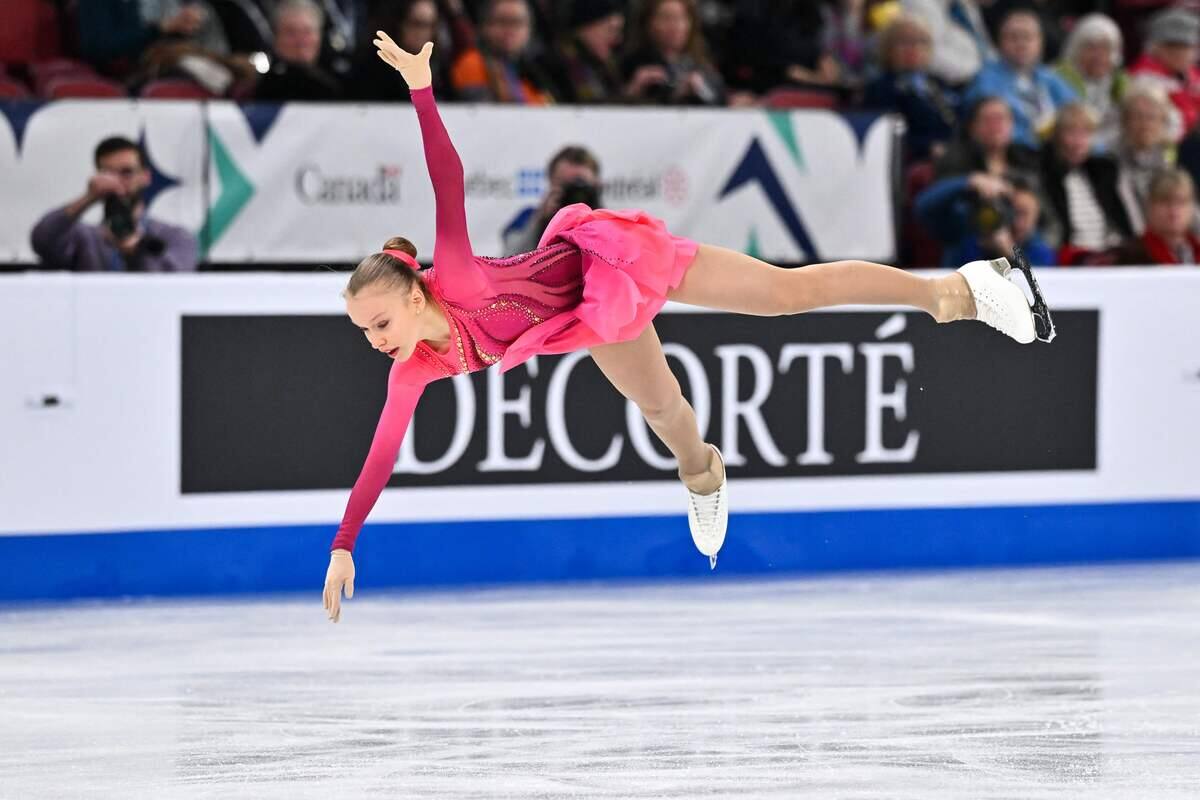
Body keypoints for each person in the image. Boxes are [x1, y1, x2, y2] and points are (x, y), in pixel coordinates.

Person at [322, 33, 1048, 622]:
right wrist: (344, 544)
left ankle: (961, 292)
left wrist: (421, 87)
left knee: (785, 293)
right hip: (590, 320)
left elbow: (447, 180)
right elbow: (382, 454)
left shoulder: (459, 276)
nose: (374, 340)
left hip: (610, 260)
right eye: (363, 332)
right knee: (663, 408)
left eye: (378, 321)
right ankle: (702, 471)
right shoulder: (411, 367)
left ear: (416, 298)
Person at [30, 136, 197, 272]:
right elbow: (43, 240)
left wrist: (136, 249)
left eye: (127, 172)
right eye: (107, 173)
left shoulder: (174, 236)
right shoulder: (86, 238)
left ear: (146, 177)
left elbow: (175, 279)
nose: (116, 181)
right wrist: (88, 197)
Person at [914, 96, 1041, 266]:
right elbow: (924, 206)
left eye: (1001, 119)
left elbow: (1051, 230)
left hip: (1024, 253)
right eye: (987, 120)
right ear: (972, 127)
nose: (995, 126)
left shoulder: (1028, 165)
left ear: (1012, 124)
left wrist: (1030, 212)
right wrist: (969, 181)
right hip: (968, 261)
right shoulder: (954, 164)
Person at [964, 9, 1077, 149]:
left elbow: (1076, 113)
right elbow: (994, 132)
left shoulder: (1050, 77)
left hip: (1056, 153)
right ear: (999, 43)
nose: (1021, 44)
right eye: (1013, 37)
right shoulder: (985, 81)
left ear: (1040, 43)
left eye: (1028, 37)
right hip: (1014, 154)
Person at [1040, 103, 1133, 266]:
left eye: (1085, 133)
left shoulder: (1103, 172)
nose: (1078, 142)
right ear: (1057, 136)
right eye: (1071, 132)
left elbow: (1125, 224)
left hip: (1106, 257)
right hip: (1068, 260)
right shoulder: (1043, 174)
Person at [863, 13, 959, 162]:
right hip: (915, 162)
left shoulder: (939, 83)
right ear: (888, 48)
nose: (913, 48)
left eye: (921, 41)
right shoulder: (881, 88)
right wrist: (927, 148)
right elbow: (886, 137)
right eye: (904, 41)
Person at [621, 0, 726, 106]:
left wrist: (700, 91)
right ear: (649, 23)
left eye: (681, 18)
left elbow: (721, 103)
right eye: (666, 18)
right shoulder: (632, 64)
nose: (674, 26)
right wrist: (634, 89)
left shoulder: (702, 66)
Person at [502, 145, 602, 256]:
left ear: (596, 185)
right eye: (566, 185)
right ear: (551, 182)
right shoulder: (527, 217)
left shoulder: (609, 223)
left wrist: (599, 218)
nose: (574, 194)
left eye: (581, 185)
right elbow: (509, 260)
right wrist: (541, 220)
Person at [449, 0, 553, 104]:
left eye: (517, 22)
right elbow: (479, 113)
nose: (510, 30)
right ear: (484, 26)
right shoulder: (471, 62)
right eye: (502, 21)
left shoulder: (535, 72)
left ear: (529, 29)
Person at [1055, 13, 1128, 153]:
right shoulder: (1059, 80)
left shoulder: (1121, 83)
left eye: (1106, 48)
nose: (1098, 56)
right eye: (1091, 48)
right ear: (1076, 49)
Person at [1128, 6, 1200, 142]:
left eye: (1185, 47)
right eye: (1171, 46)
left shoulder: (1190, 74)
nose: (1179, 53)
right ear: (1155, 48)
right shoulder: (1143, 78)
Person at [255, 0, 344, 101]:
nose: (301, 41)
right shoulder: (259, 88)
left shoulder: (338, 81)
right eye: (291, 33)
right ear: (275, 37)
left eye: (307, 32)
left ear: (320, 36)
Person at [1116, 168, 1200, 265]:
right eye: (1165, 201)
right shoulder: (1130, 254)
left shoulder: (1195, 250)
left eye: (1181, 202)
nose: (1174, 210)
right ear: (1150, 206)